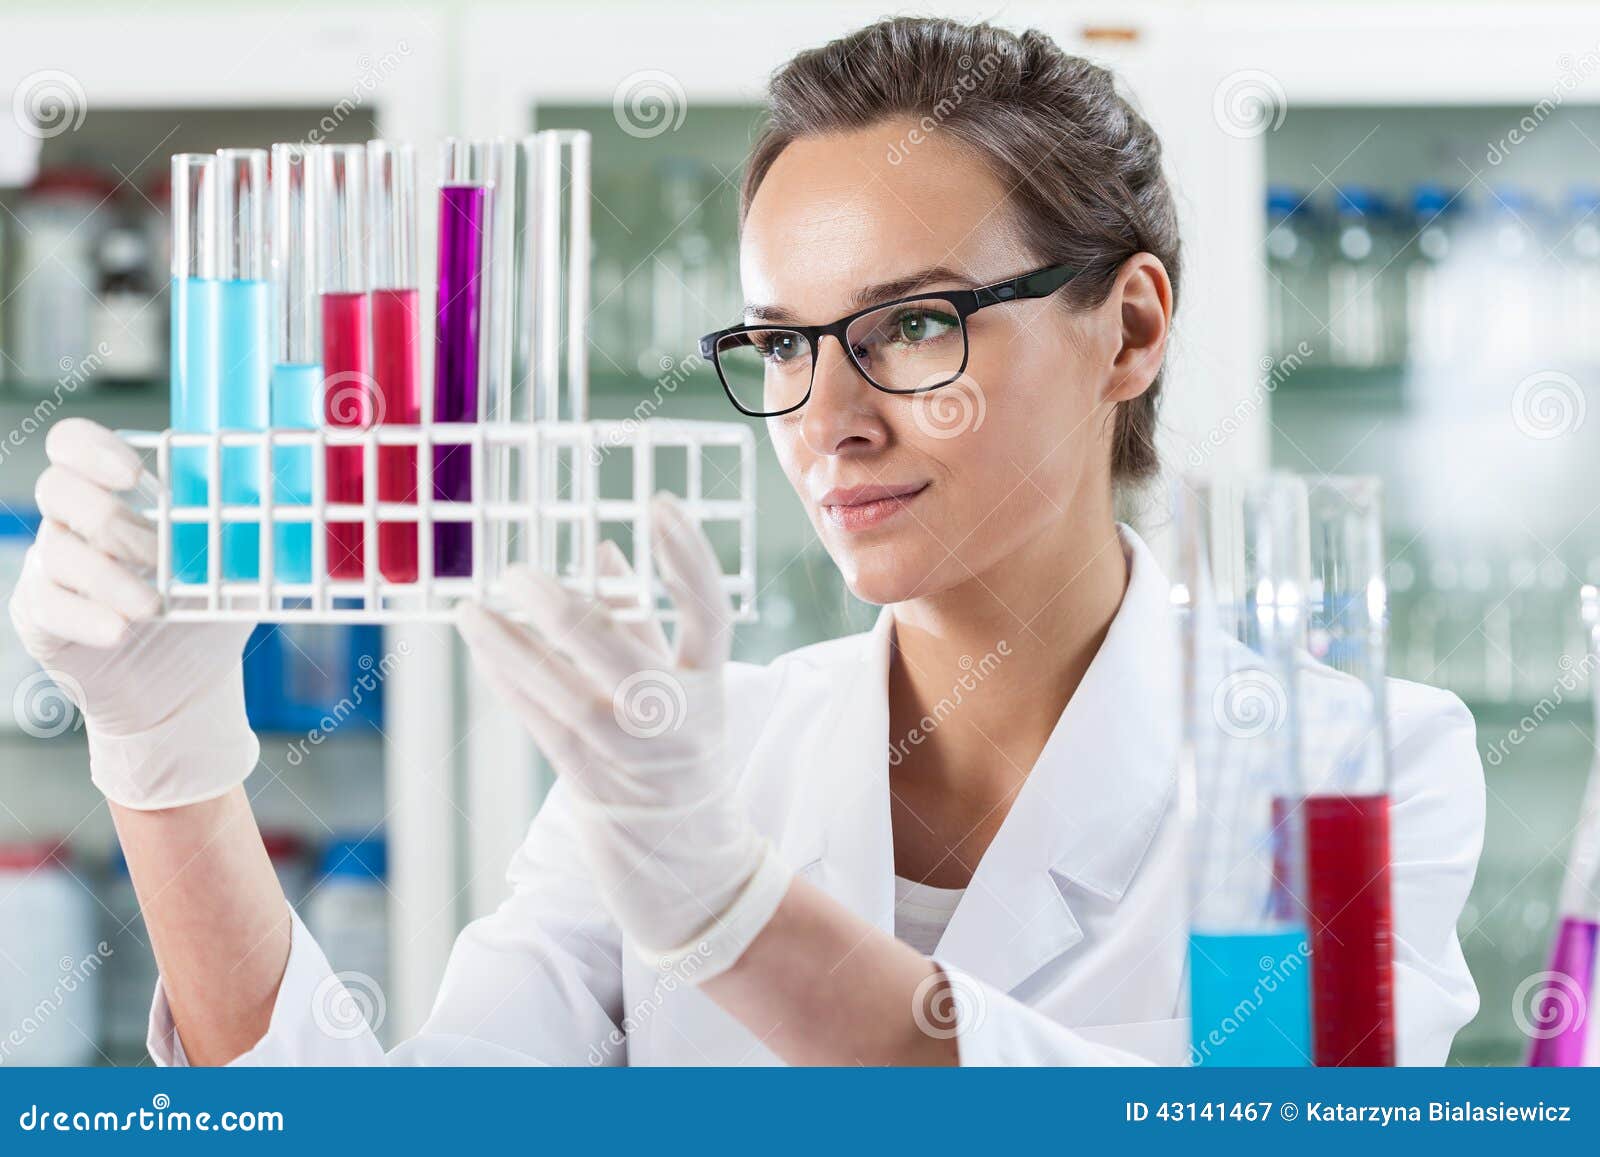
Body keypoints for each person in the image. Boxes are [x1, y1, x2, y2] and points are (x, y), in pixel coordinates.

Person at [8, 16, 1484, 1067]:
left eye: (913, 323)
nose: (823, 417)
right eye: (781, 342)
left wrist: (727, 909)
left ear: (1132, 327)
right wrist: (172, 764)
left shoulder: (1353, 765)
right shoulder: (684, 759)